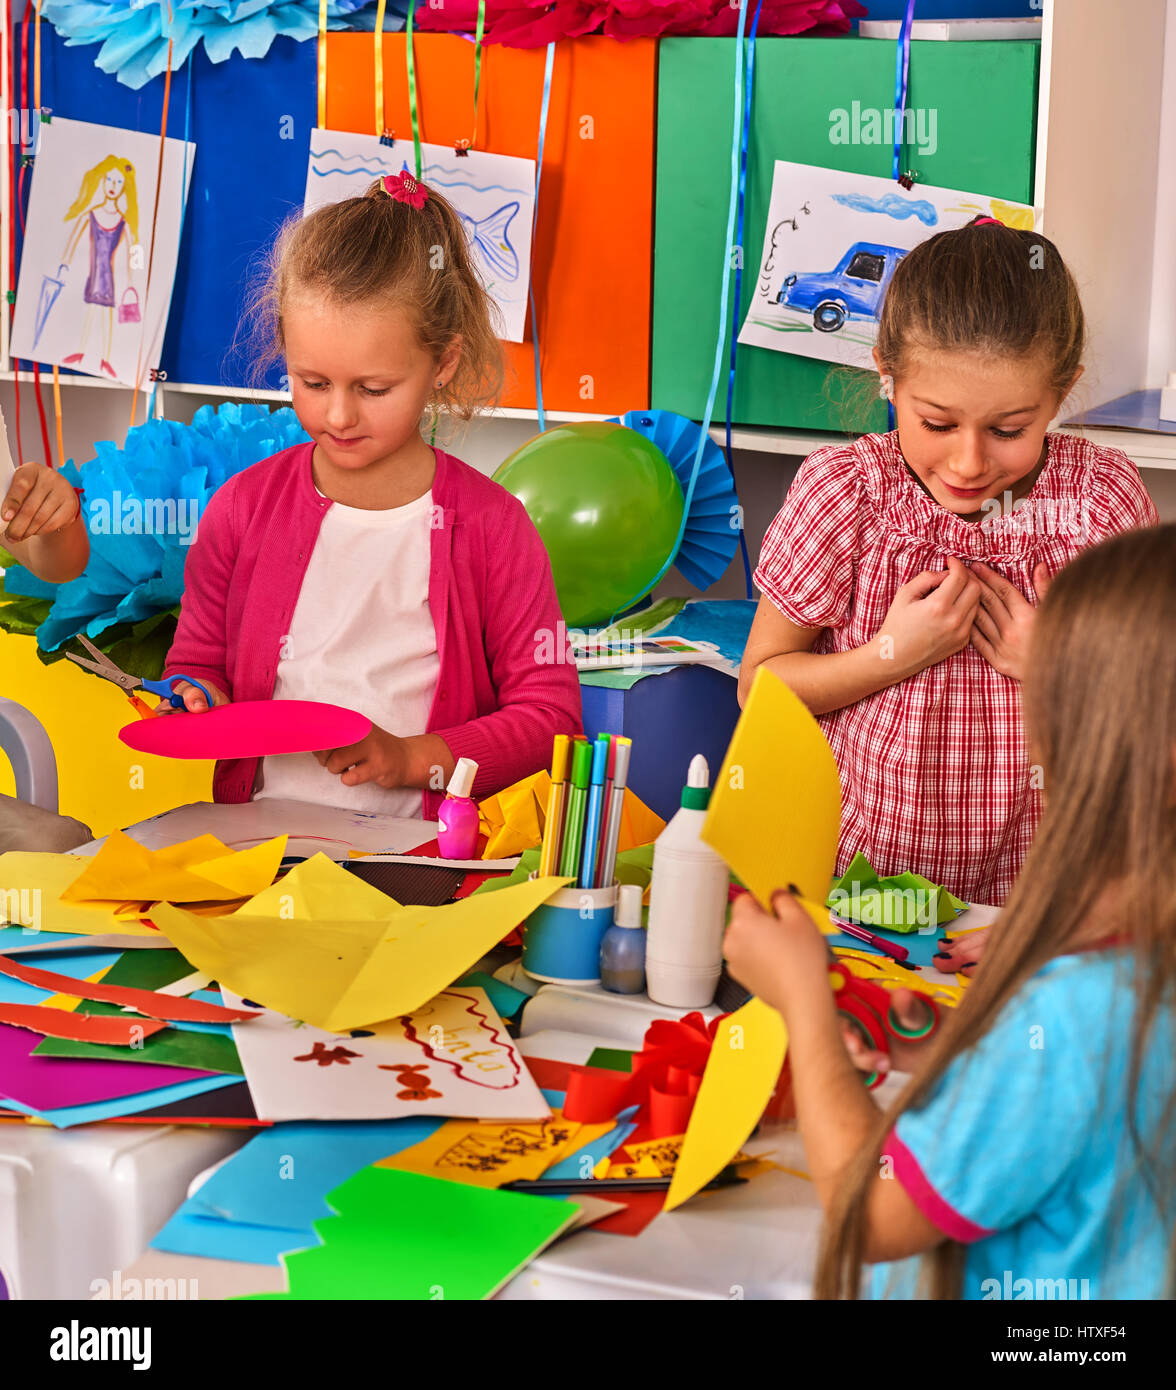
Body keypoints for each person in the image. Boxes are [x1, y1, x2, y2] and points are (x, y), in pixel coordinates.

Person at [725, 525, 1176, 1299]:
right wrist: (956, 1049)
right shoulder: (1132, 971)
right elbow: (1087, 1115)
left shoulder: (1079, 1010)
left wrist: (803, 1004)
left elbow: (870, 1218)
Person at [740, 218, 1158, 915]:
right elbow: (760, 687)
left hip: (1052, 897)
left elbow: (1151, 708)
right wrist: (889, 655)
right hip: (855, 890)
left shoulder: (1101, 499)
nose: (969, 463)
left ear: (1062, 394)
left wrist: (1056, 662)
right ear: (888, 376)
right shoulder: (846, 492)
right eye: (937, 424)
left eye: (1009, 430)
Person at [160, 171, 582, 818]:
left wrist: (413, 759)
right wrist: (192, 695)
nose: (338, 416)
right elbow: (197, 664)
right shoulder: (241, 510)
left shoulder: (494, 527)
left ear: (442, 362)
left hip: (419, 865)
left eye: (373, 388)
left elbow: (550, 719)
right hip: (258, 852)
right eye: (311, 381)